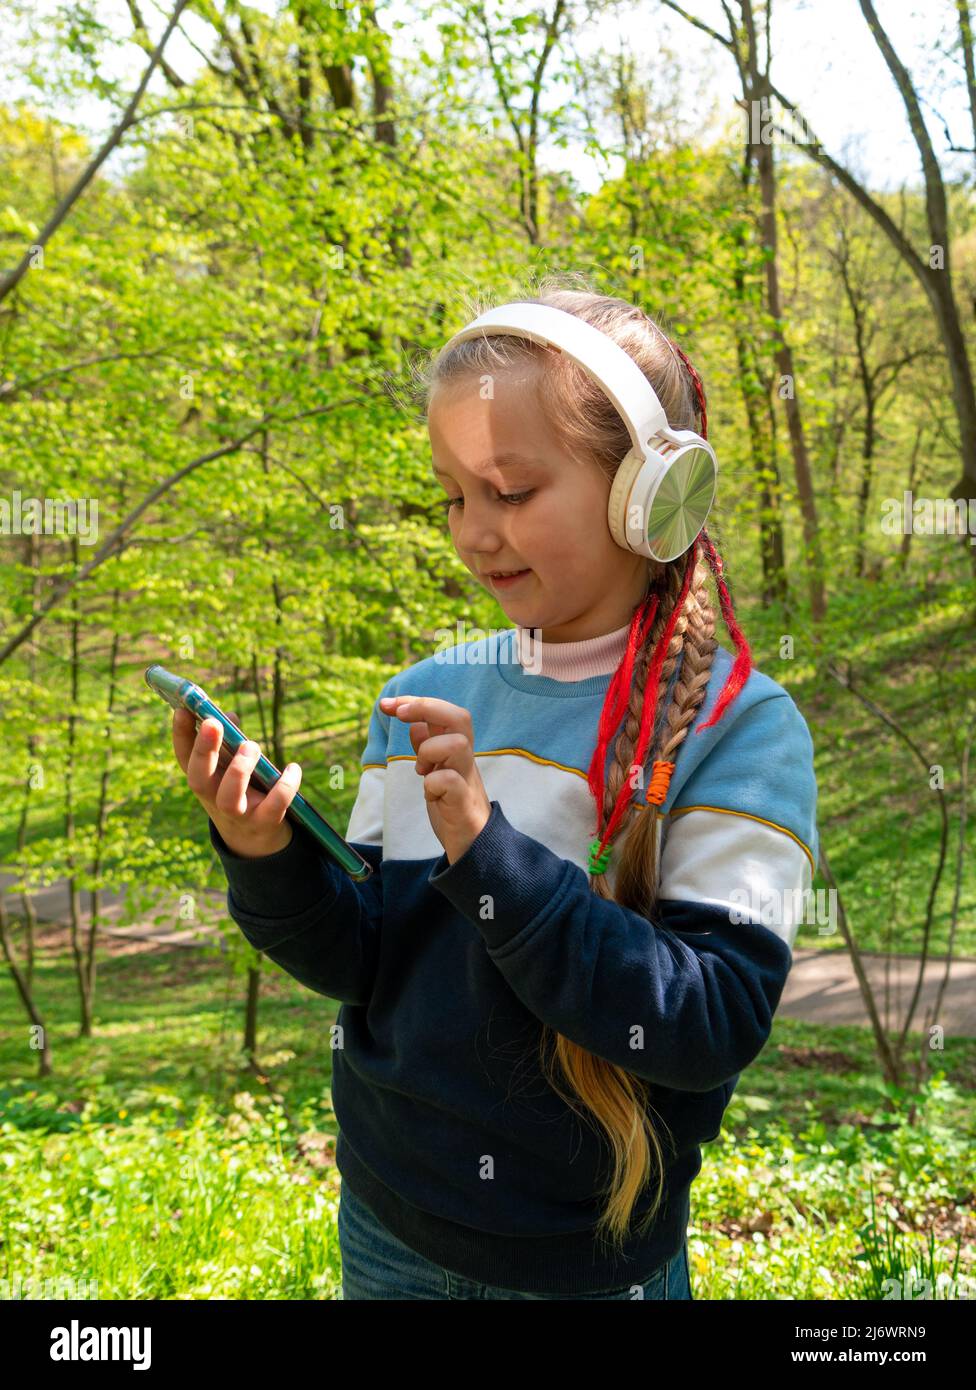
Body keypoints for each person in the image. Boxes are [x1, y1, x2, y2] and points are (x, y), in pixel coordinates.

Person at [173, 276, 818, 1300]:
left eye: (511, 491)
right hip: (389, 1221)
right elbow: (364, 960)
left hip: (587, 1266)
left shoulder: (740, 727)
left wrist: (489, 852)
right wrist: (268, 855)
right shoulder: (424, 697)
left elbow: (705, 1025)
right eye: (453, 493)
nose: (474, 530)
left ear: (647, 492)